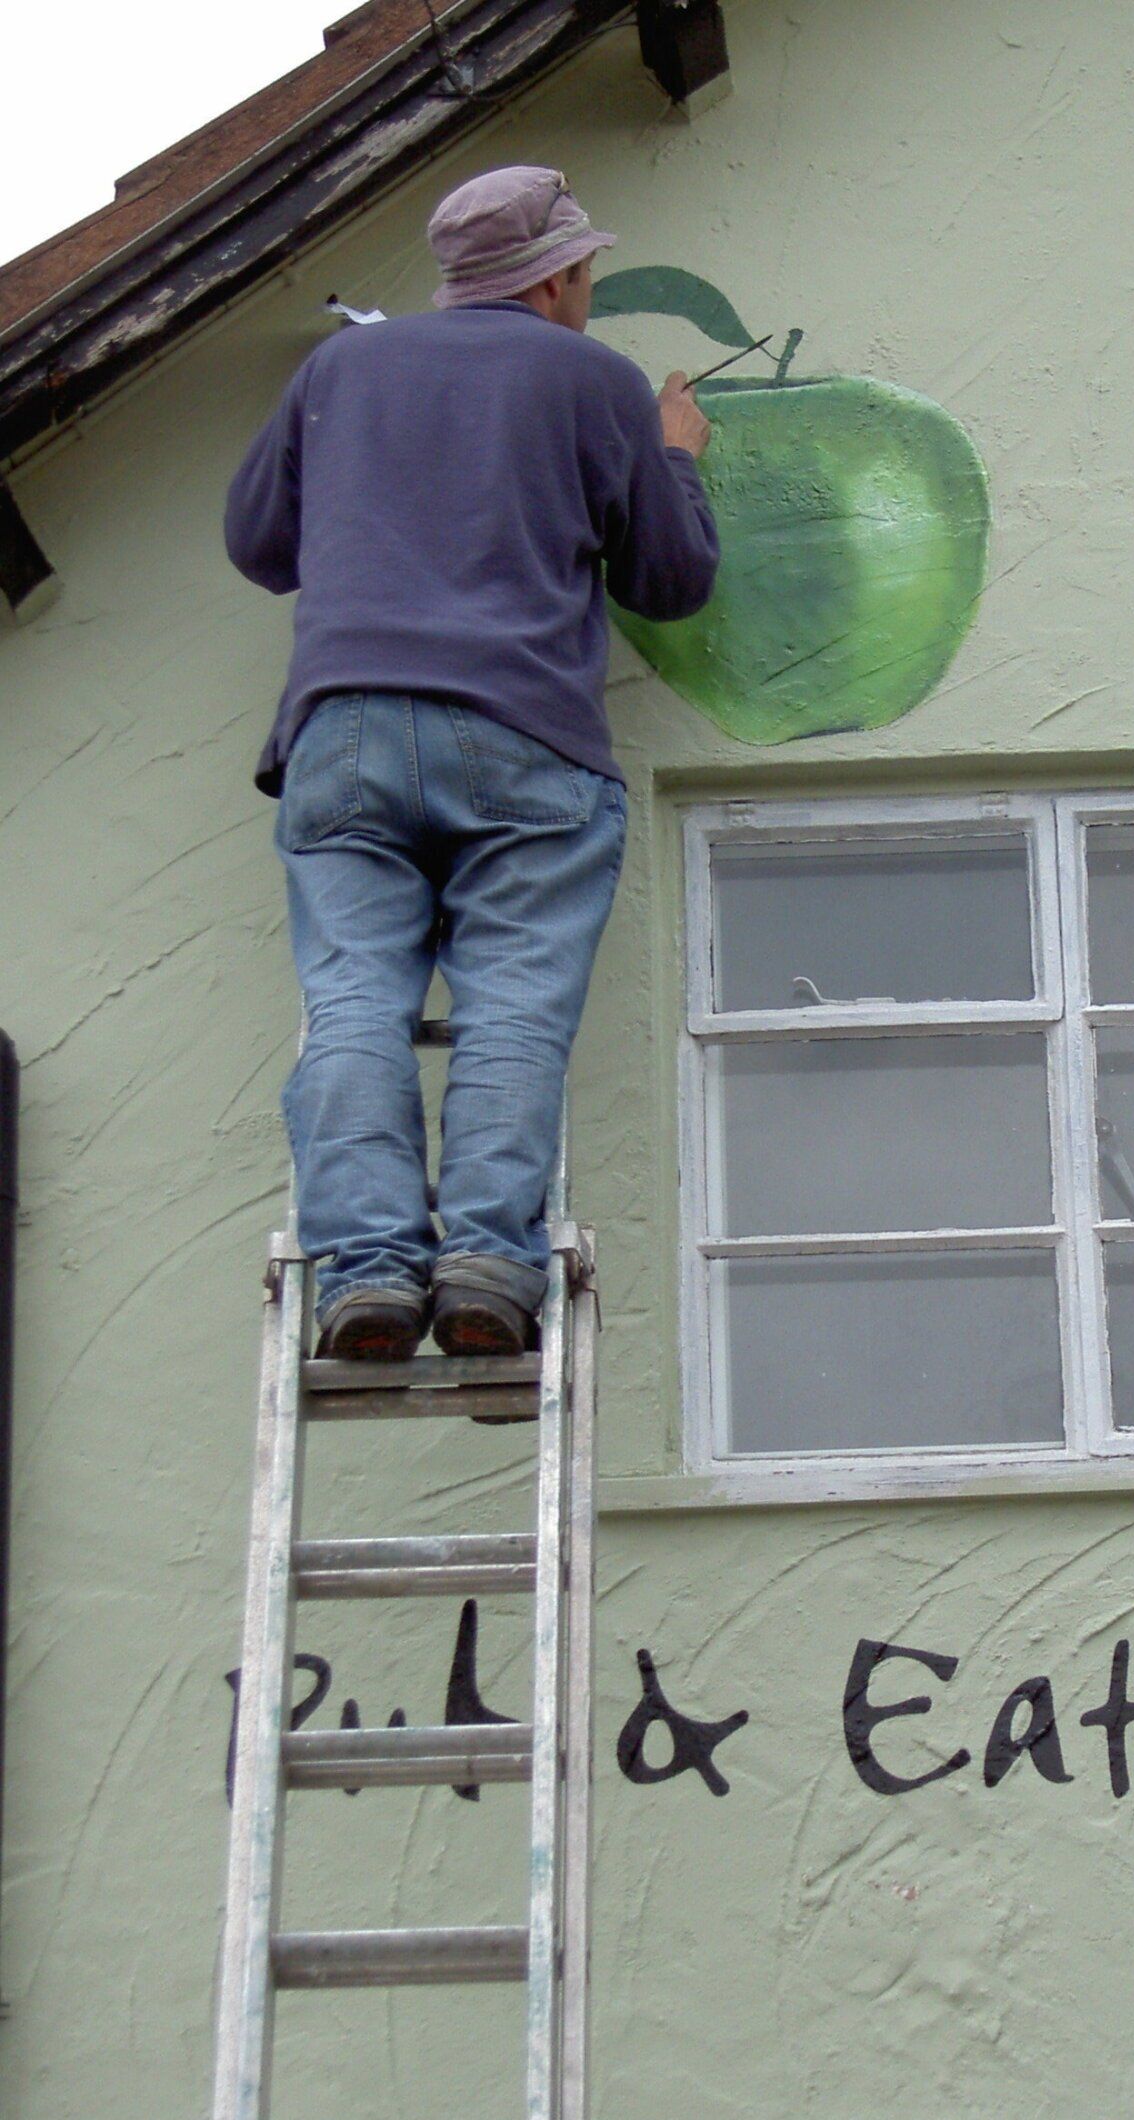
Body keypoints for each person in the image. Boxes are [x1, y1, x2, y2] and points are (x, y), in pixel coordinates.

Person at [225, 165, 718, 1361]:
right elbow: (672, 580)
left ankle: (368, 1274)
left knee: (354, 1003)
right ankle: (487, 1265)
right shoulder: (596, 382)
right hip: (522, 738)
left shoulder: (340, 371)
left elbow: (258, 544)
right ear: (553, 277)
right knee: (511, 1011)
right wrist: (675, 456)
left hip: (343, 735)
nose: (589, 291)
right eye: (586, 272)